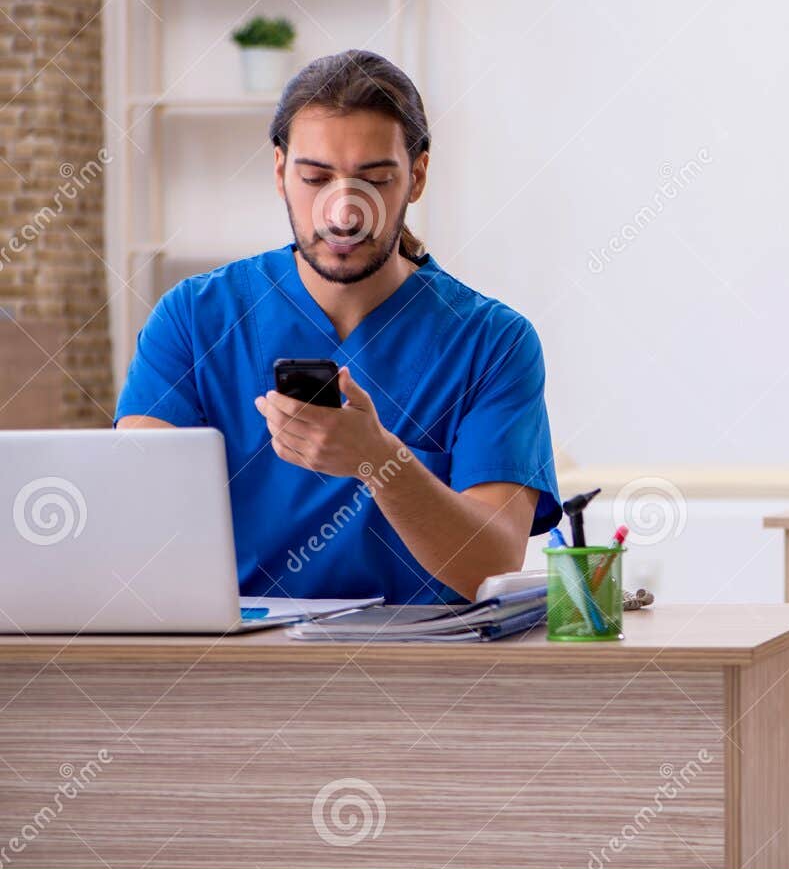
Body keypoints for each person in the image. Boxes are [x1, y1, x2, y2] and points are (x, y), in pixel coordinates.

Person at [115, 49, 560, 604]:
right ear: (280, 173)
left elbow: (490, 565)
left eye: (374, 179)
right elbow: (137, 533)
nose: (343, 213)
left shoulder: (492, 343)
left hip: (429, 675)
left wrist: (379, 460)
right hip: (236, 671)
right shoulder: (193, 320)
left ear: (416, 177)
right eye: (316, 178)